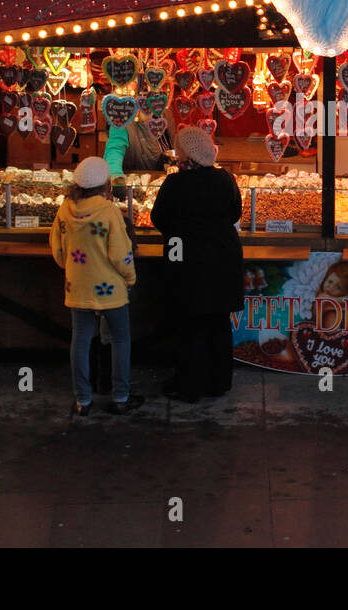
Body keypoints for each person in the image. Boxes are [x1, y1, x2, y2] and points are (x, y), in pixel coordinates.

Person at [149, 125, 244, 403]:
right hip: (223, 261)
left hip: (187, 264)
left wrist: (180, 233)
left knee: (190, 326)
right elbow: (235, 212)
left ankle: (189, 385)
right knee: (218, 323)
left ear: (186, 155)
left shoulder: (175, 184)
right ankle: (218, 382)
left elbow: (159, 218)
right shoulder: (225, 179)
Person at [50, 156, 144, 416]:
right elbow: (121, 254)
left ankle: (83, 400)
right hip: (110, 289)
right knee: (120, 339)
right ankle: (121, 397)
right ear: (105, 184)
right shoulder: (109, 211)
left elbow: (57, 249)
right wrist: (130, 278)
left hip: (77, 286)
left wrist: (72, 269)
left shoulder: (65, 209)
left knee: (80, 340)